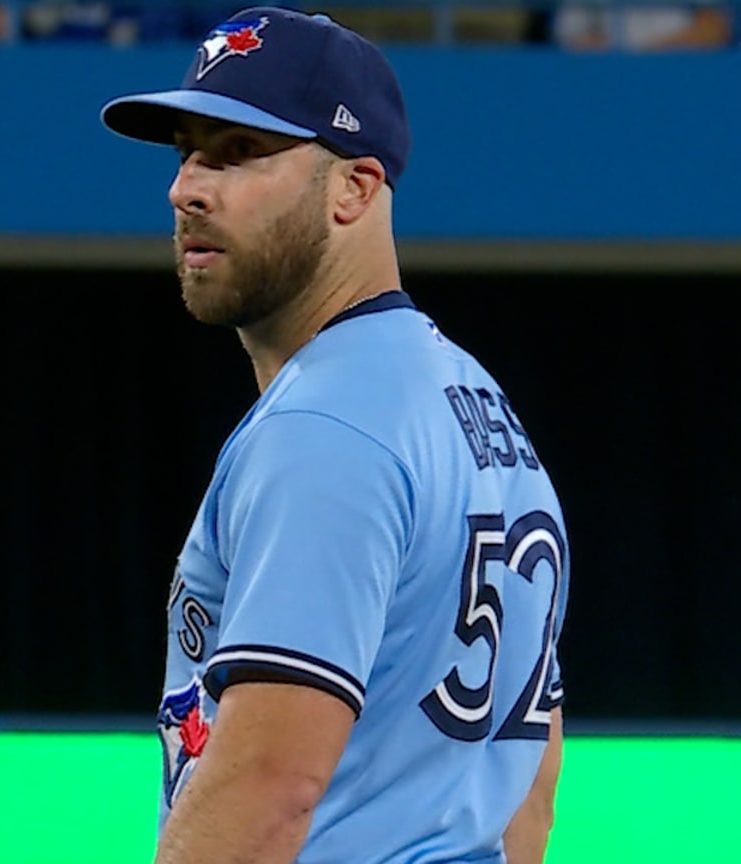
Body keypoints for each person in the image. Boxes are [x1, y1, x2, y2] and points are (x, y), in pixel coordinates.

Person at [99, 7, 572, 864]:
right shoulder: (475, 403)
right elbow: (528, 779)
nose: (187, 189)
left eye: (240, 153)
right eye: (187, 153)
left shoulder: (327, 425)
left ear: (355, 187)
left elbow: (267, 792)